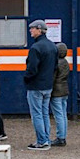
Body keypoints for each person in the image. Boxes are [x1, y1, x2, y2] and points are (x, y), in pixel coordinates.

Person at [24, 20, 56, 150]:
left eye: (32, 28)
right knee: (44, 114)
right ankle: (46, 139)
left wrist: (26, 78)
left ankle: (41, 141)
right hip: (48, 85)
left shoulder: (35, 48)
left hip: (36, 85)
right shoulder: (53, 46)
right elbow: (55, 66)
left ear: (39, 29)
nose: (30, 30)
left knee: (36, 114)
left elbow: (32, 69)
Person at [50, 42, 70, 147]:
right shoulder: (65, 62)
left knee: (58, 115)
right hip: (64, 90)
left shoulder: (56, 63)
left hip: (56, 91)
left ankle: (60, 137)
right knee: (63, 114)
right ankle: (63, 136)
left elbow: (53, 78)